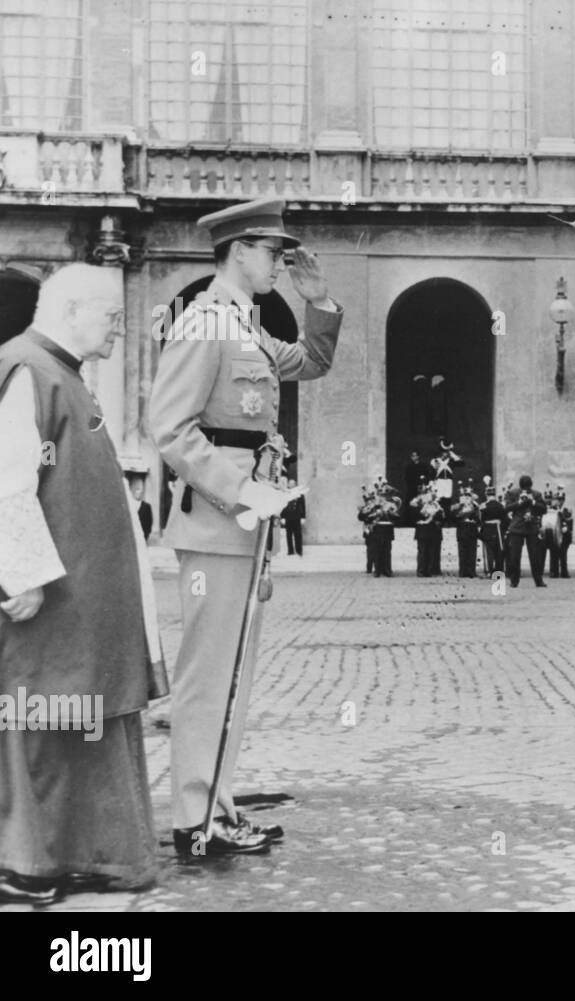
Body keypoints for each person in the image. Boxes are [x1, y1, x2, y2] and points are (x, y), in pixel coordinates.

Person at [149, 197, 343, 858]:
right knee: (209, 677)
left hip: (244, 524)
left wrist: (319, 301)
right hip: (217, 520)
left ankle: (217, 807)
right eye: (273, 253)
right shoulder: (205, 322)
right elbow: (171, 428)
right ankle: (194, 819)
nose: (280, 264)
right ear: (239, 249)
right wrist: (243, 489)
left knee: (235, 675)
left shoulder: (247, 326)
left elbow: (311, 364)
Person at [0, 263, 164, 903]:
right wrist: (24, 574)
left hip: (81, 603)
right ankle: (21, 863)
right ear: (71, 310)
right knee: (39, 730)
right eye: (112, 318)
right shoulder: (30, 370)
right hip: (48, 601)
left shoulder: (62, 373)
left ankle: (68, 854)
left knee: (72, 728)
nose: (121, 331)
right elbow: (7, 482)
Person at [504, 475, 546, 587]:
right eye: (524, 488)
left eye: (528, 488)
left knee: (535, 556)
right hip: (517, 528)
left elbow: (544, 509)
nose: (526, 490)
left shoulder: (536, 494)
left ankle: (538, 580)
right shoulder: (513, 493)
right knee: (515, 556)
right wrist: (518, 502)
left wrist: (533, 502)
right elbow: (507, 508)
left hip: (531, 527)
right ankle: (514, 581)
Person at [368, 476, 400, 577]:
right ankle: (377, 570)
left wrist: (389, 512)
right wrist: (374, 514)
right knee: (377, 551)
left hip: (387, 528)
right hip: (377, 528)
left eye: (384, 495)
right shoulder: (373, 504)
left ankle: (387, 570)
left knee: (387, 551)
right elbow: (365, 516)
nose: (382, 497)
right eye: (380, 494)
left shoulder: (391, 504)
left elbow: (397, 517)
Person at [412, 480, 444, 577]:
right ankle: (421, 571)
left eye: (430, 494)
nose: (429, 496)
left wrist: (437, 517)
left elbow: (441, 517)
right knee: (422, 552)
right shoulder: (418, 505)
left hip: (432, 530)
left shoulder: (436, 505)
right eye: (427, 494)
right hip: (422, 530)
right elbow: (414, 516)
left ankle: (429, 571)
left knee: (431, 552)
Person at [452, 482, 482, 578]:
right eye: (466, 496)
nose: (467, 498)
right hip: (462, 530)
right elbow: (455, 517)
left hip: (472, 530)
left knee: (472, 552)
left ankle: (471, 572)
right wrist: (462, 511)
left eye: (469, 496)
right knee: (462, 552)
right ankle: (463, 571)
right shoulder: (459, 506)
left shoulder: (475, 507)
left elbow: (479, 519)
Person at [480, 478, 507, 576]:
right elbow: (505, 519)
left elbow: (481, 519)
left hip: (487, 529)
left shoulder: (483, 506)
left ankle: (489, 571)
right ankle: (498, 570)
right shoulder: (500, 505)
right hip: (498, 529)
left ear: (486, 494)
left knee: (489, 551)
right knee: (498, 550)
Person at [281, 479, 305, 556]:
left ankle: (299, 550)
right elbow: (283, 506)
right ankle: (290, 550)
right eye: (290, 484)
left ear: (295, 485)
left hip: (297, 517)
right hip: (288, 517)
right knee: (289, 535)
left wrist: (303, 517)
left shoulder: (300, 494)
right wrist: (282, 517)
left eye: (293, 484)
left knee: (298, 534)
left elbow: (303, 506)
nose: (291, 485)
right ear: (288, 485)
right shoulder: (285, 494)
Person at [127, 472, 154, 540]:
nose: (140, 492)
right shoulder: (128, 505)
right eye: (137, 489)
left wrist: (145, 537)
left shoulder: (147, 507)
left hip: (142, 538)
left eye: (141, 489)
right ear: (131, 489)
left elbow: (149, 524)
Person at [358, 484, 376, 574]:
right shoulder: (365, 508)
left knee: (376, 550)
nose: (370, 502)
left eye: (371, 500)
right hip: (369, 531)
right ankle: (369, 567)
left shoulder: (376, 507)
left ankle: (377, 567)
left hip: (377, 530)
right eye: (368, 500)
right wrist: (364, 512)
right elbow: (360, 517)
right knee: (370, 550)